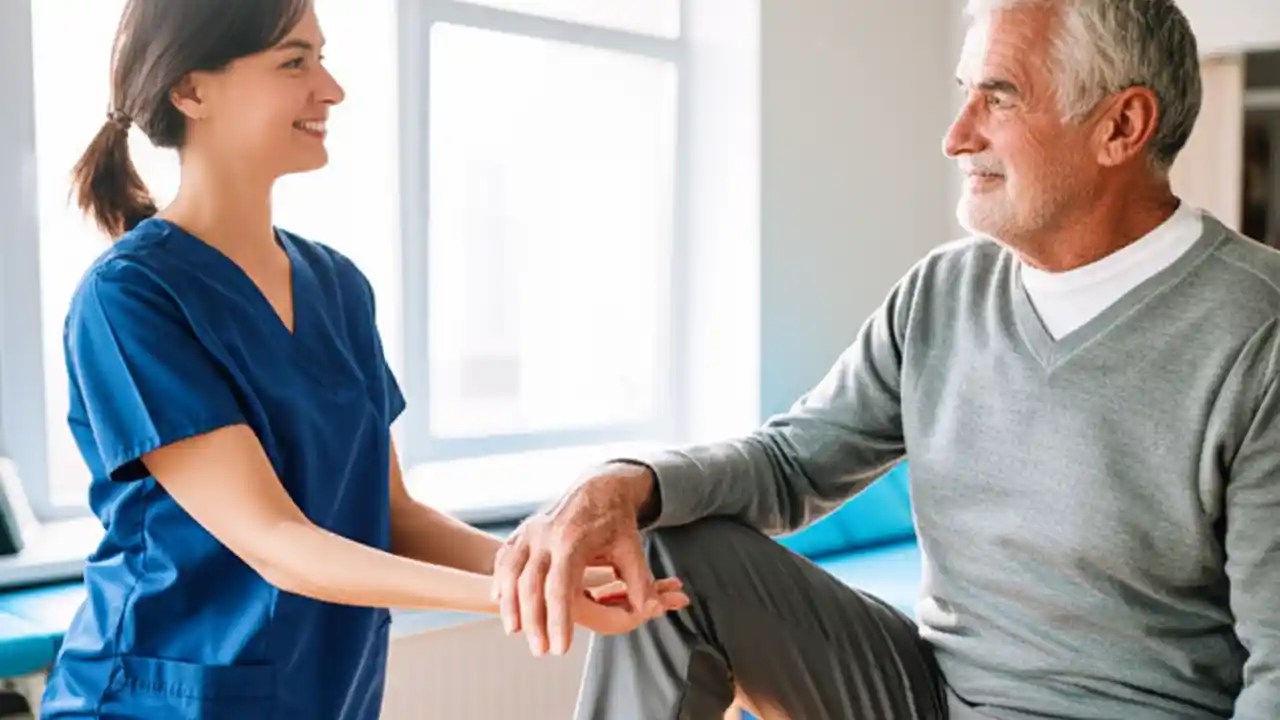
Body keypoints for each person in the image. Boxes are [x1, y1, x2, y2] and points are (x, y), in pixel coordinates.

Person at [494, 0, 1280, 718]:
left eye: (999, 96)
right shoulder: (942, 292)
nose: (956, 135)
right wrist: (625, 483)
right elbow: (789, 467)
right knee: (669, 545)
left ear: (1121, 127)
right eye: (965, 90)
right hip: (928, 697)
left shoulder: (1257, 329)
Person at [41, 1, 687, 718]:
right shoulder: (131, 298)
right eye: (295, 62)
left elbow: (390, 512)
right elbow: (277, 542)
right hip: (155, 702)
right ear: (191, 91)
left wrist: (540, 568)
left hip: (326, 693)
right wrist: (516, 594)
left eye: (321, 56)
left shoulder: (338, 287)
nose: (331, 88)